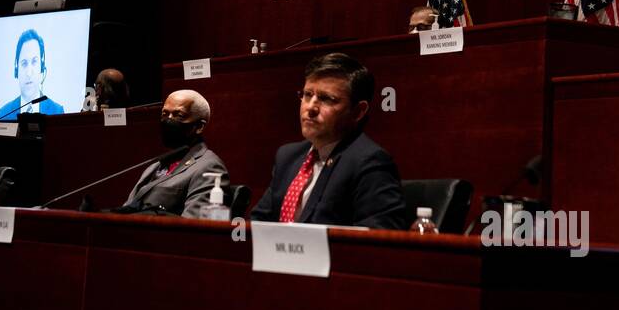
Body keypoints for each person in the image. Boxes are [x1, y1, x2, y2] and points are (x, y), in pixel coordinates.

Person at [250, 52, 407, 229]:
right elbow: (258, 221)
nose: (310, 107)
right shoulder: (288, 156)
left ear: (358, 111)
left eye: (326, 99)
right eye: (307, 94)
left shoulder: (370, 162)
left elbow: (380, 238)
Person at [120, 90, 230, 217]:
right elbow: (126, 210)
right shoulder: (155, 165)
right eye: (165, 114)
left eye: (179, 115)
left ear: (199, 126)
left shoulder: (209, 167)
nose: (169, 120)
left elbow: (194, 224)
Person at [0, 29, 65, 118]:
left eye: (34, 62)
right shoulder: (3, 114)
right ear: (16, 70)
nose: (29, 73)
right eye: (24, 63)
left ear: (42, 68)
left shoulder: (57, 111)